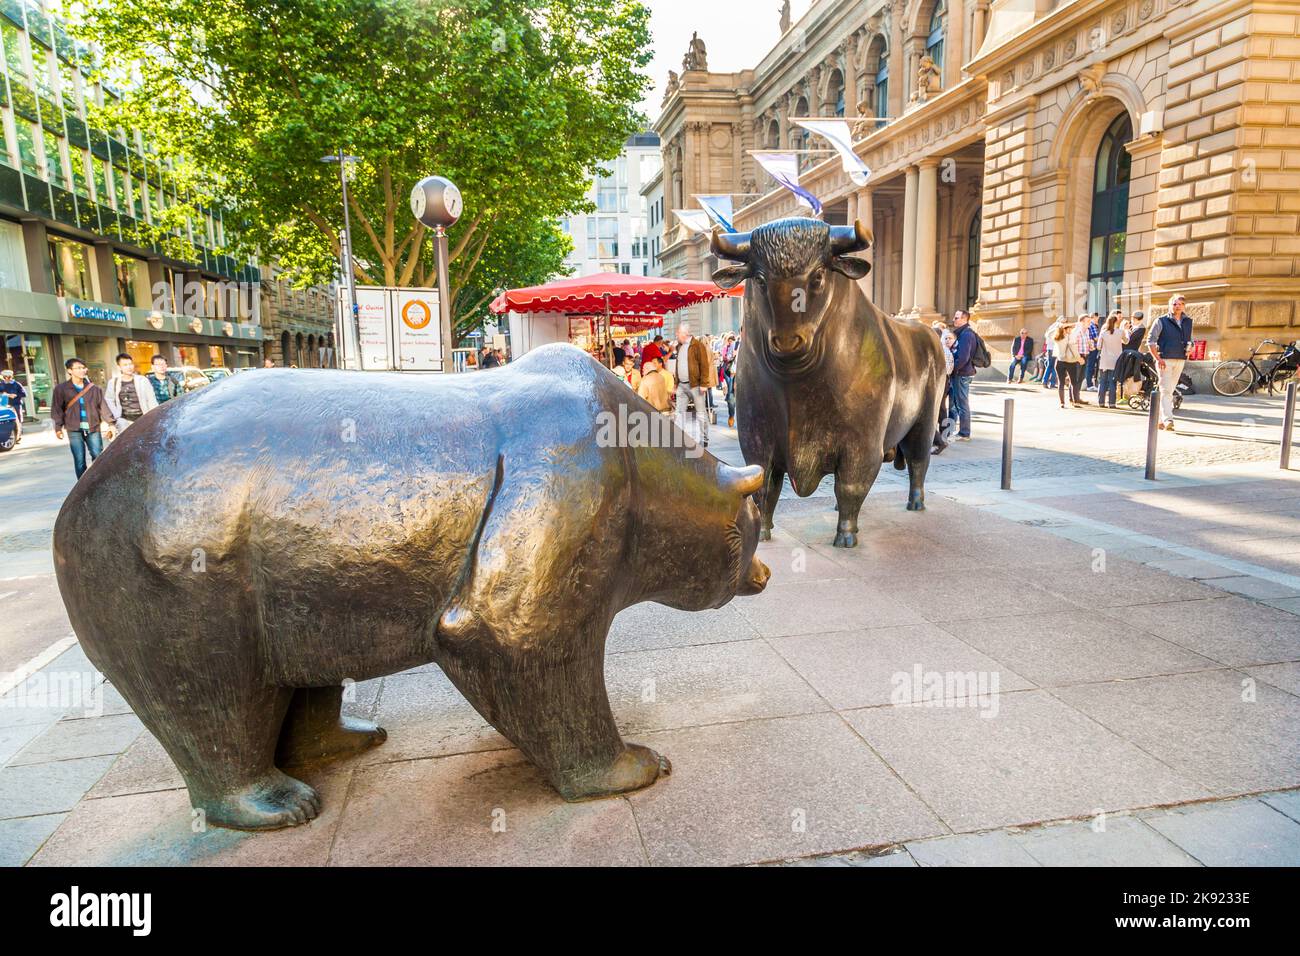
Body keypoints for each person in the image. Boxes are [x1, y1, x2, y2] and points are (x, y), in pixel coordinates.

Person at [51, 358, 114, 478]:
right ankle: (82, 487)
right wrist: (58, 427)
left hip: (93, 427)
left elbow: (103, 407)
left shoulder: (94, 389)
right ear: (70, 371)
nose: (82, 370)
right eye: (78, 368)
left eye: (84, 368)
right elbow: (57, 409)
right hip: (73, 429)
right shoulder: (61, 389)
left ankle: (98, 482)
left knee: (98, 456)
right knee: (79, 460)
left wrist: (111, 424)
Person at [1147, 294, 1193, 431]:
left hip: (1180, 359)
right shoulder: (1161, 321)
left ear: (1184, 306)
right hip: (1164, 360)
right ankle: (1168, 420)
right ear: (1170, 305)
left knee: (1170, 390)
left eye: (1180, 304)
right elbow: (1150, 341)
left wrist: (1191, 348)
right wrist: (1158, 358)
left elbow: (1190, 339)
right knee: (1166, 390)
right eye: (1174, 304)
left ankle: (1161, 421)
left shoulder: (1188, 321)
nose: (1177, 306)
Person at [673, 321, 711, 447]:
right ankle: (679, 438)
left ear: (684, 333)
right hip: (682, 385)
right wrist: (676, 383)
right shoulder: (680, 346)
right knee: (679, 413)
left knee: (700, 413)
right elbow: (679, 365)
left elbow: (704, 365)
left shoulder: (697, 345)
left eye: (678, 332)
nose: (676, 334)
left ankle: (704, 438)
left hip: (695, 384)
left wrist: (704, 383)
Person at [104, 352, 158, 433]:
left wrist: (153, 416)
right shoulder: (113, 382)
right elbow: (109, 400)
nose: (129, 367)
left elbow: (151, 399)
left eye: (130, 364)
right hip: (124, 421)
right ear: (119, 367)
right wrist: (117, 417)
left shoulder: (143, 380)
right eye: (125, 365)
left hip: (143, 418)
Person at [949, 310, 976, 441]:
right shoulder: (963, 333)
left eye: (956, 318)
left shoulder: (966, 334)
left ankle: (965, 433)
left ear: (964, 319)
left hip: (962, 373)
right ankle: (961, 431)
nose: (954, 320)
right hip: (961, 373)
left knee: (962, 404)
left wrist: (953, 369)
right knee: (959, 403)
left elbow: (963, 357)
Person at [1096, 313, 1125, 408]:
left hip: (1104, 360)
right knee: (1113, 382)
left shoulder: (1103, 333)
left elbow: (1098, 346)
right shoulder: (1120, 332)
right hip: (1116, 360)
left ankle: (1101, 402)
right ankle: (1112, 403)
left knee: (1103, 381)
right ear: (1116, 322)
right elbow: (1127, 341)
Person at [1053, 318, 1084, 408]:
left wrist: (1061, 325)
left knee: (1061, 383)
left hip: (1059, 361)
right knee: (1074, 382)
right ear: (1065, 329)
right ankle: (1076, 402)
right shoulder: (1070, 338)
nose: (1071, 330)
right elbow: (1074, 349)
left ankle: (1062, 403)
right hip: (1070, 361)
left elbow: (1050, 332)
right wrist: (1079, 359)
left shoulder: (1056, 338)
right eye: (1069, 328)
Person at [0, 368, 26, 444]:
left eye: (9, 377)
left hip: (16, 404)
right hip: (4, 405)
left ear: (11, 376)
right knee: (7, 421)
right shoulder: (1, 384)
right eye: (5, 377)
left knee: (18, 420)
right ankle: (9, 436)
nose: (7, 378)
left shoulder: (16, 384)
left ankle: (18, 436)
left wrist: (15, 395)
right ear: (3, 377)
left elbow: (24, 394)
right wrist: (7, 395)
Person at [1042, 317, 1060, 389]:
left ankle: (1045, 381)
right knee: (1055, 367)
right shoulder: (1057, 328)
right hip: (1055, 349)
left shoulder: (1050, 329)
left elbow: (1047, 341)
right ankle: (1052, 383)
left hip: (1049, 349)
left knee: (1050, 366)